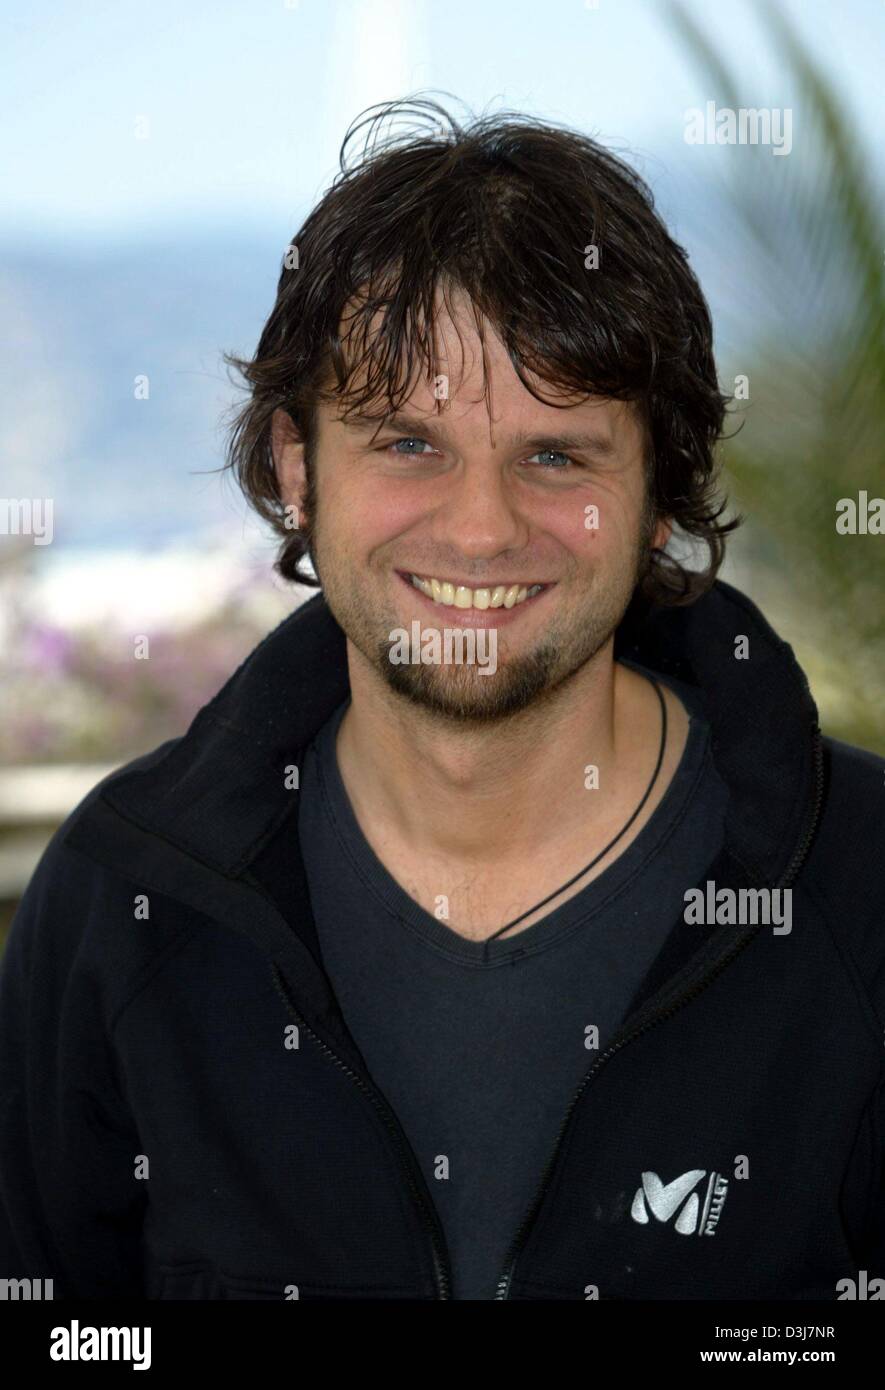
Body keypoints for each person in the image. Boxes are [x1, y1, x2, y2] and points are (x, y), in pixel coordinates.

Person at [1, 97, 883, 1302]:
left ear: (660, 496)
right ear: (296, 467)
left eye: (556, 454)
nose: (480, 527)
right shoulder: (122, 902)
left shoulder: (865, 890)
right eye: (409, 444)